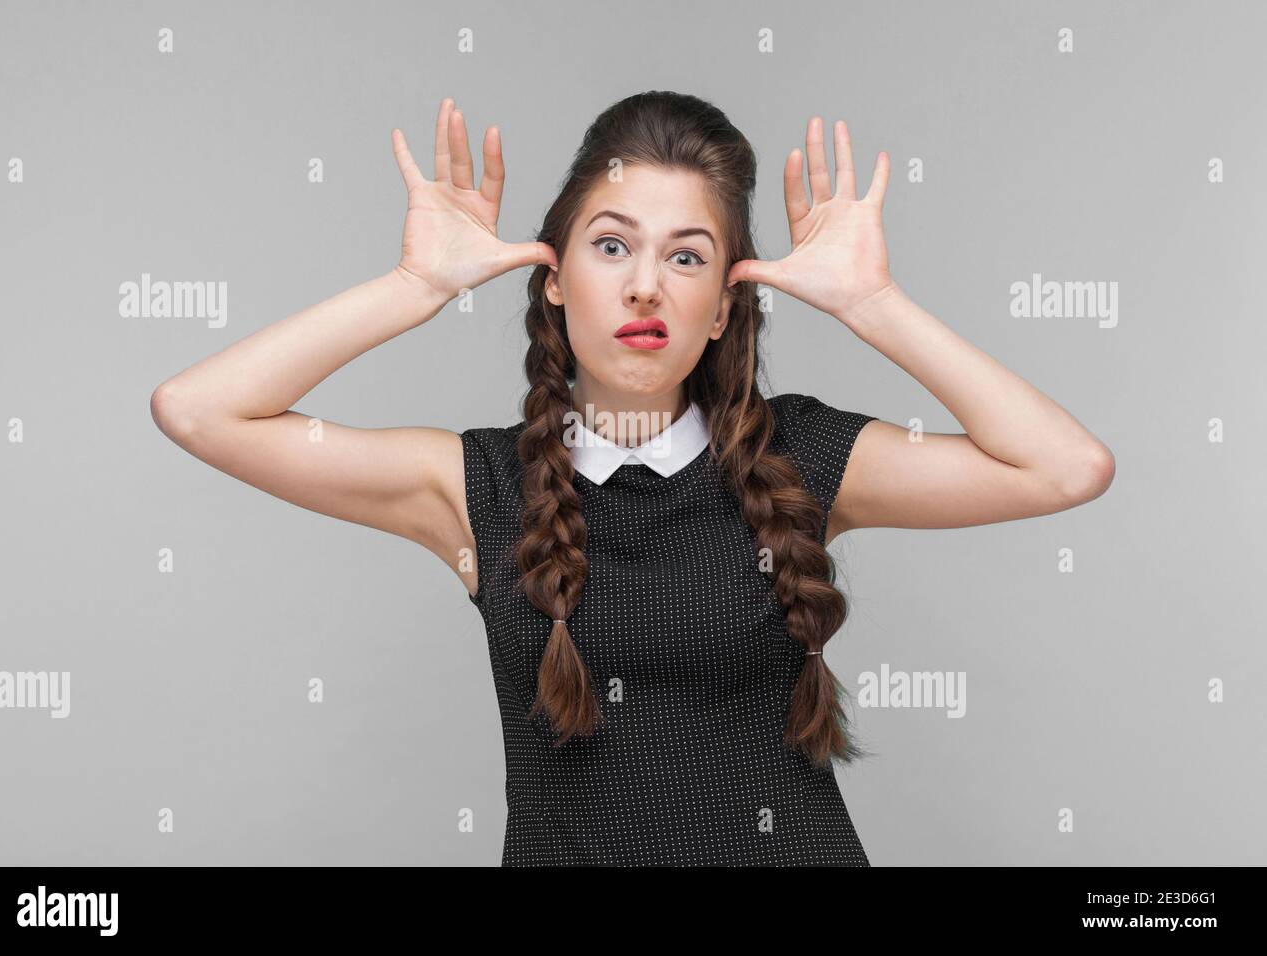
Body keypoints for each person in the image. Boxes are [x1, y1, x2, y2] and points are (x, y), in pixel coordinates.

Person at [150, 91, 1114, 866]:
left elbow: (1067, 467)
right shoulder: (475, 489)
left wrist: (874, 304)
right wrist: (413, 290)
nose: (646, 284)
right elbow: (198, 410)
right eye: (611, 246)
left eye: (686, 257)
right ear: (556, 277)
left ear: (726, 307)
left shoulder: (802, 460)